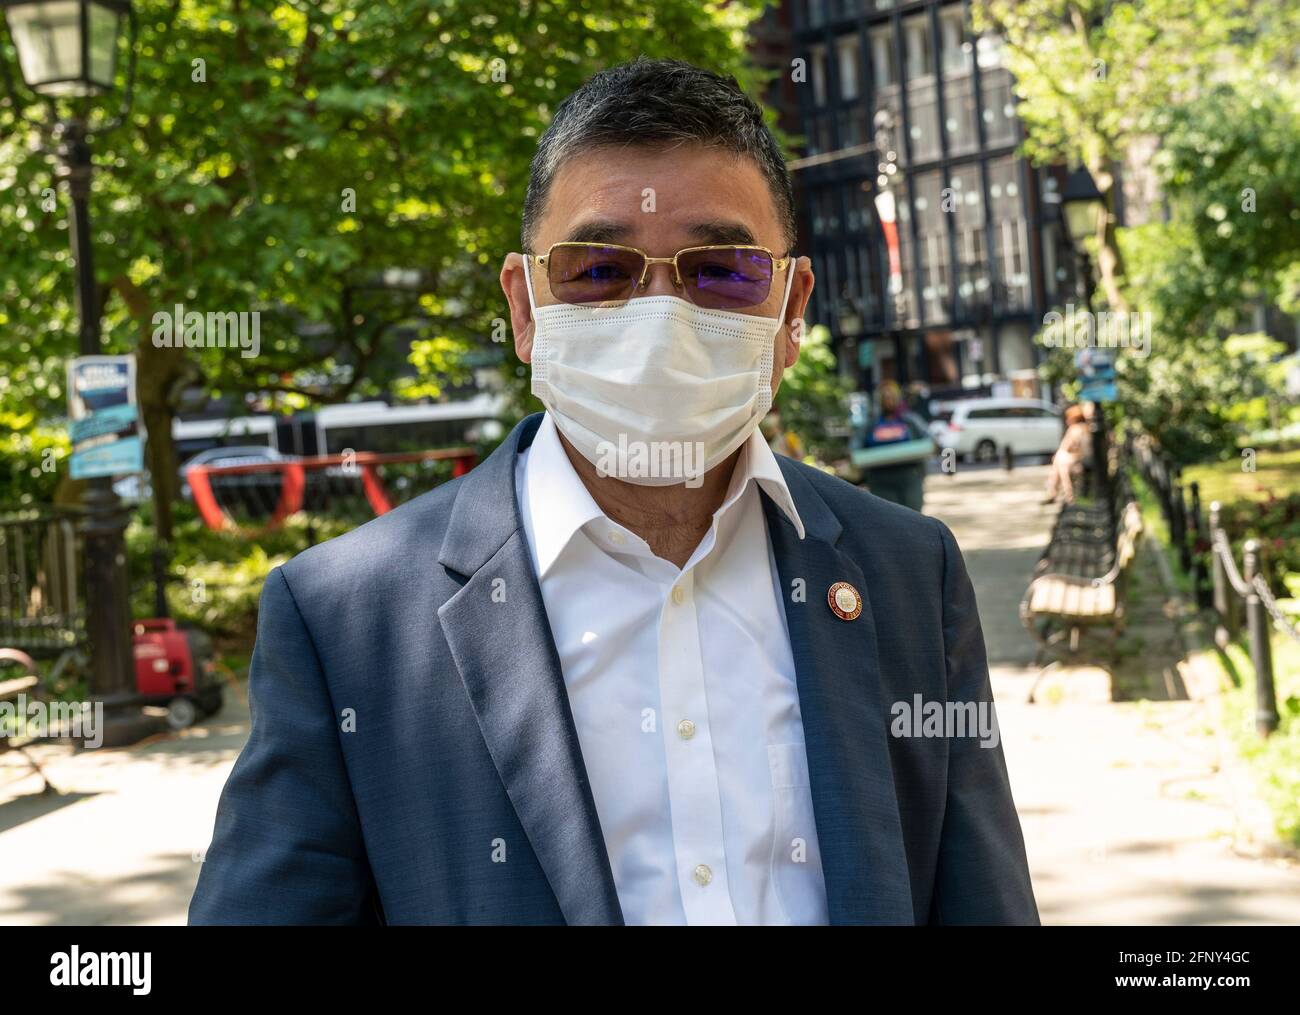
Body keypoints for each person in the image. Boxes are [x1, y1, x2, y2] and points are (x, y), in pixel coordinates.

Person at [189, 58, 1036, 927]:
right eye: (598, 270)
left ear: (791, 309)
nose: (659, 315)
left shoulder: (908, 573)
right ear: (523, 308)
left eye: (723, 271)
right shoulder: (345, 621)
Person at [855, 379, 932, 513]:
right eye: (884, 397)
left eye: (891, 397)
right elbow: (855, 447)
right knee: (888, 519)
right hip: (880, 479)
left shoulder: (910, 421)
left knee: (913, 517)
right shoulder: (870, 425)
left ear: (897, 398)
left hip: (909, 476)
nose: (888, 400)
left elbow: (929, 439)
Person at [1043, 404, 1090, 505]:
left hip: (1078, 460)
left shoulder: (1075, 429)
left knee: (1061, 462)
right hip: (1083, 459)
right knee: (1060, 461)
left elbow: (1069, 446)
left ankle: (1057, 492)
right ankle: (1060, 492)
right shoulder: (1086, 428)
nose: (1067, 421)